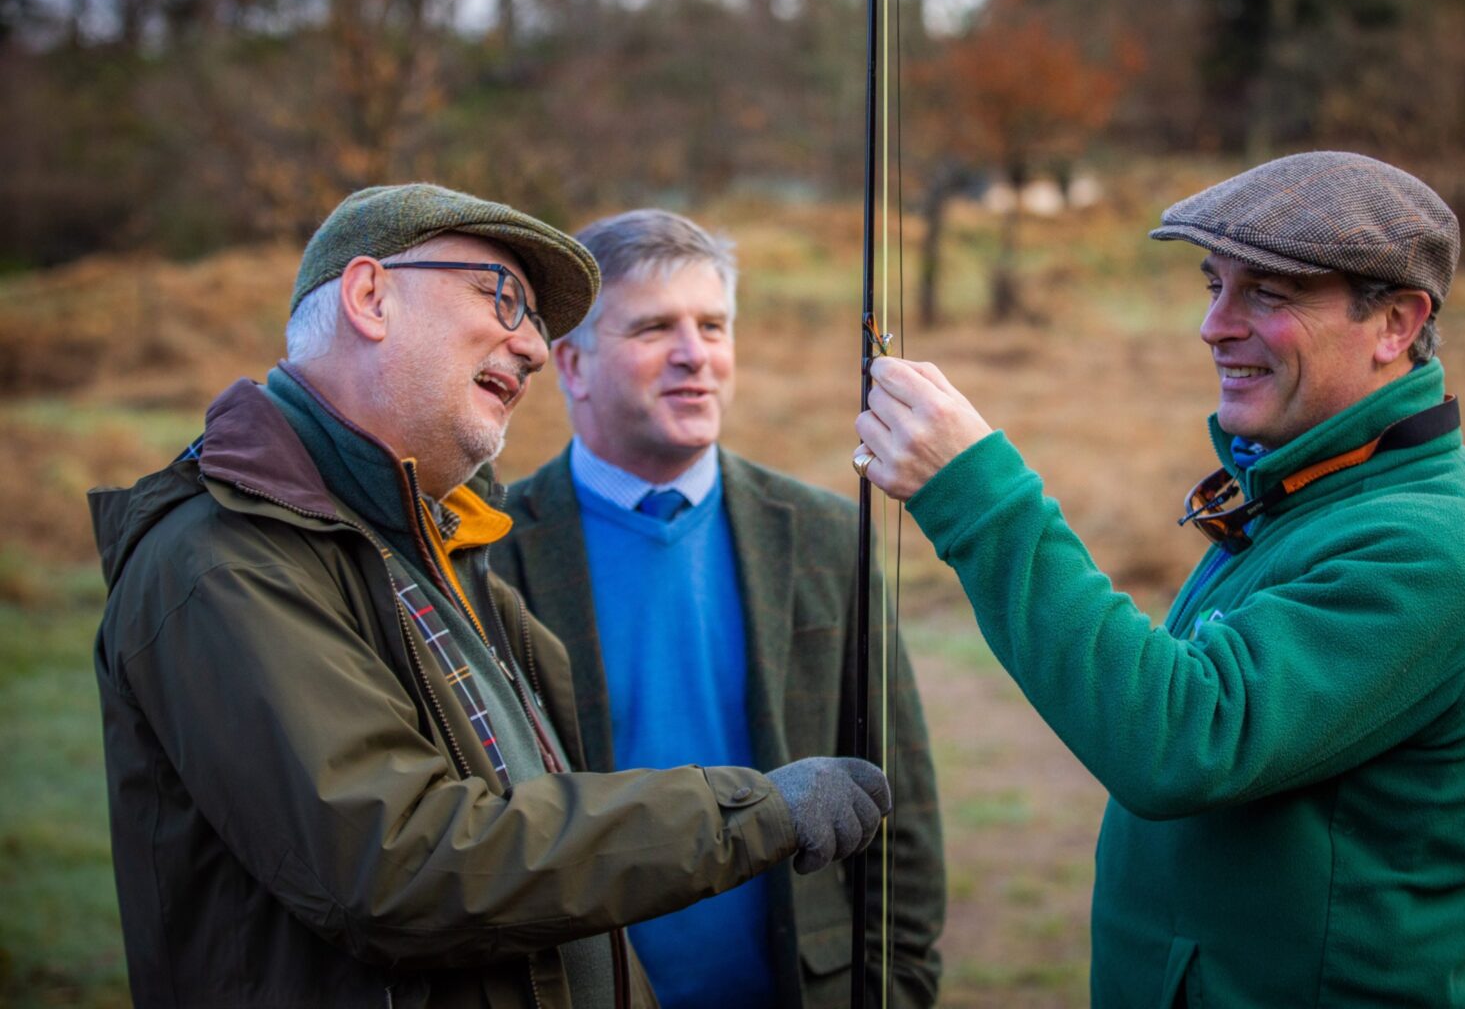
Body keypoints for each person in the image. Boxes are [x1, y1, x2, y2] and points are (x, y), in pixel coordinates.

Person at [91, 183, 893, 1009]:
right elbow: (402, 865)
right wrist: (754, 812)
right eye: (499, 297)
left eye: (536, 322)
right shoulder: (223, 562)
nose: (535, 347)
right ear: (370, 297)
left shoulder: (436, 547)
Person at [853, 152, 1465, 1007]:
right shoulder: (1309, 490)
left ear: (1396, 324)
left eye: (1268, 294)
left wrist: (979, 498)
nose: (1214, 326)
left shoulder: (1428, 549)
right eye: (1215, 285)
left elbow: (1181, 740)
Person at [491, 209, 944, 1009]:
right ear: (572, 364)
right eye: (653, 328)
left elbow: (896, 796)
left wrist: (897, 989)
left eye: (712, 325)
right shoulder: (488, 553)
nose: (694, 354)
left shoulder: (825, 535)